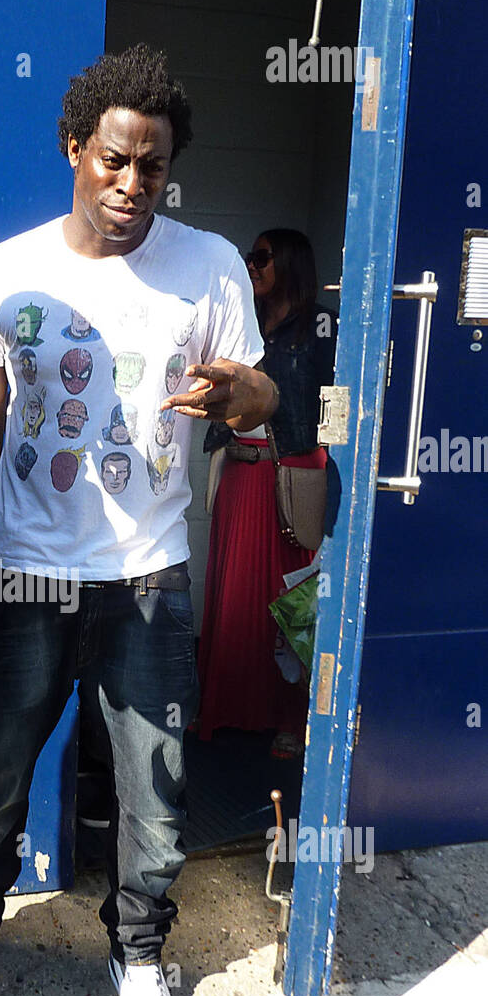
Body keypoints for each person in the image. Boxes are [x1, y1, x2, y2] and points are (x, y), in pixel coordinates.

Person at [0, 44, 277, 996]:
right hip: (28, 569)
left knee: (157, 790)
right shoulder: (7, 269)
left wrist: (235, 396)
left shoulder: (208, 266)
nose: (133, 186)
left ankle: (138, 955)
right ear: (73, 147)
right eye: (115, 161)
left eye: (154, 167)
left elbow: (260, 397)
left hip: (147, 579)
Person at [196, 228, 337, 757]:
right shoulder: (243, 323)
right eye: (248, 258)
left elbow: (338, 404)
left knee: (287, 602)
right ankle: (225, 711)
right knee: (234, 603)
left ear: (292, 265)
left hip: (293, 478)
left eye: (262, 258)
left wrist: (330, 478)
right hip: (239, 473)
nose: (251, 267)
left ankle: (289, 717)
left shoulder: (323, 327)